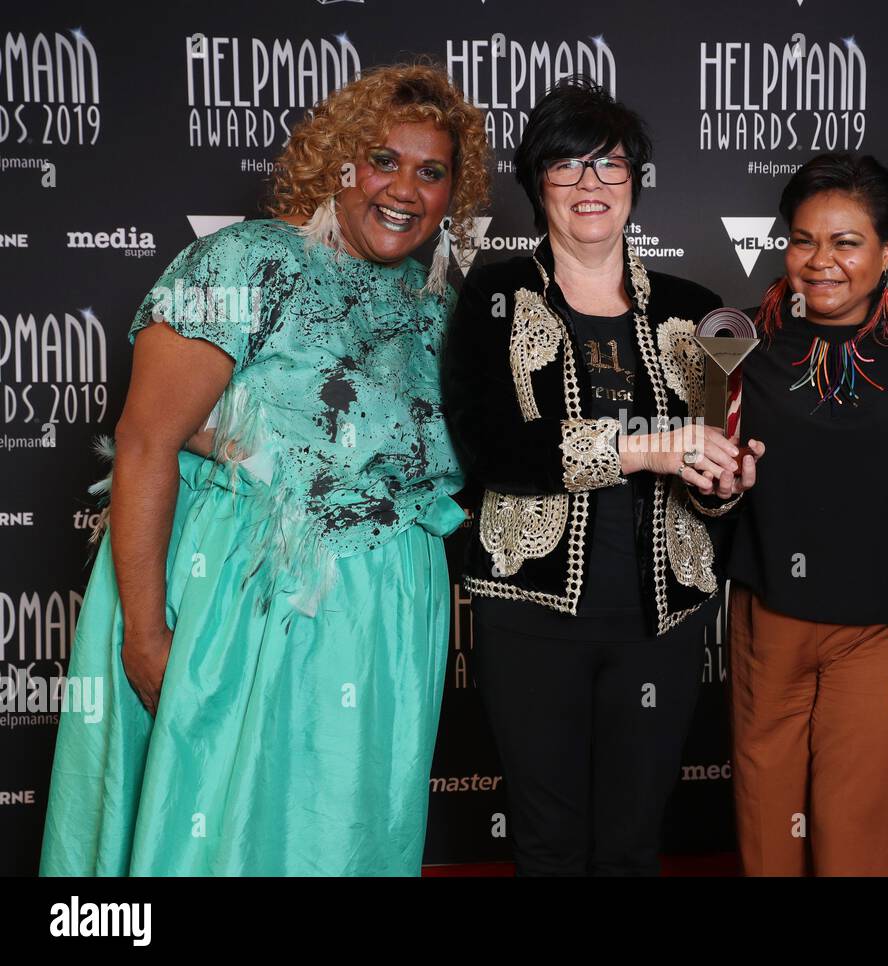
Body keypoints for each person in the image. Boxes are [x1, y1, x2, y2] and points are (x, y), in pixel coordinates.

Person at [40, 63, 491, 876]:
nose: (405, 189)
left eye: (432, 172)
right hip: (249, 602)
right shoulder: (246, 262)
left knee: (346, 837)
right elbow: (146, 445)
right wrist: (144, 633)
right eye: (382, 160)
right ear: (339, 164)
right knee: (226, 828)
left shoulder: (438, 305)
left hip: (385, 630)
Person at [442, 78, 761, 876]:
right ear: (536, 182)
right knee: (547, 840)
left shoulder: (698, 310)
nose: (591, 185)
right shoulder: (495, 294)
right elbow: (494, 451)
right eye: (567, 164)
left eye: (610, 165)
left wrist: (724, 479)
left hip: (660, 619)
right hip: (531, 615)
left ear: (636, 183)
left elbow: (710, 450)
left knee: (631, 841)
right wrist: (649, 447)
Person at [725, 153, 888, 876]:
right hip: (770, 618)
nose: (821, 262)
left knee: (862, 841)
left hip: (885, 631)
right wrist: (717, 480)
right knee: (768, 836)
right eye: (803, 240)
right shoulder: (728, 336)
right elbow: (701, 476)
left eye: (847, 242)